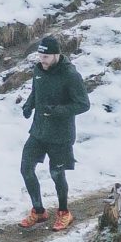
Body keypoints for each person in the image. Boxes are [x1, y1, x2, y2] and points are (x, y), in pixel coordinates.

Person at [16, 35, 91, 231]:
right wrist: (29, 105)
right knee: (26, 168)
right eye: (40, 56)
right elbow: (36, 92)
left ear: (57, 55)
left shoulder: (70, 75)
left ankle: (64, 212)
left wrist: (58, 111)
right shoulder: (38, 70)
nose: (42, 60)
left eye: (46, 57)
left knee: (56, 173)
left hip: (60, 135)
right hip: (39, 131)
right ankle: (39, 211)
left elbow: (83, 104)